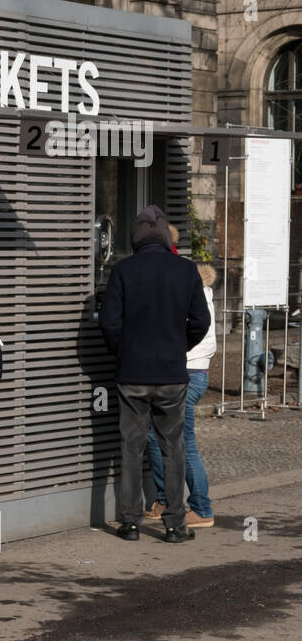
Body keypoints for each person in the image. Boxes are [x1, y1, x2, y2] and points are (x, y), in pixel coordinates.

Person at [99, 205, 211, 543]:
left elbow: (109, 323)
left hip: (132, 374)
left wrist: (125, 350)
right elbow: (201, 322)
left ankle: (131, 523)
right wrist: (179, 346)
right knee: (173, 448)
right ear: (164, 237)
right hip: (172, 374)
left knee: (131, 448)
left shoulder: (123, 270)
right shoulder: (185, 270)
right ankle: (175, 524)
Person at [144, 263, 217, 529]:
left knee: (182, 441)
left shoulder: (193, 300)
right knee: (159, 435)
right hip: (195, 374)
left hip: (186, 374)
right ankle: (167, 500)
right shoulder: (203, 296)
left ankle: (200, 508)